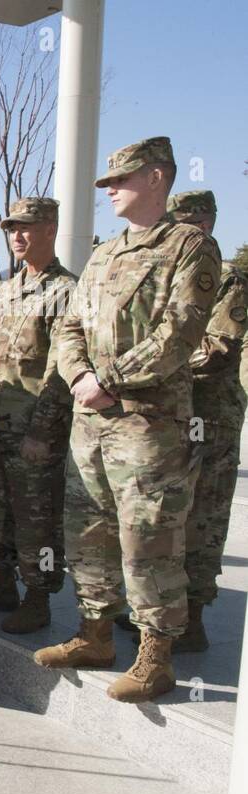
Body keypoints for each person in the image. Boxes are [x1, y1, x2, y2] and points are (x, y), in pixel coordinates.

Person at [36, 137, 221, 703]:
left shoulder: (191, 247)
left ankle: (155, 655)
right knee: (87, 531)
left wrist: (106, 380)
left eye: (121, 179)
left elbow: (179, 334)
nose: (110, 190)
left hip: (149, 425)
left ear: (158, 178)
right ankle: (94, 634)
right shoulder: (104, 253)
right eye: (108, 183)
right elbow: (69, 327)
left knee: (148, 537)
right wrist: (77, 378)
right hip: (91, 422)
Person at [0, 198, 76, 633]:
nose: (17, 237)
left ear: (50, 229)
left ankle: (38, 599)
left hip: (32, 431)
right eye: (12, 229)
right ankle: (0, 583)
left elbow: (61, 371)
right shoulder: (7, 290)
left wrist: (43, 432)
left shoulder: (66, 292)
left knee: (36, 522)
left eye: (27, 227)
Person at [147, 189, 246, 652]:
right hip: (169, 414)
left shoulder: (229, 280)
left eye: (184, 223)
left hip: (210, 416)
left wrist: (150, 366)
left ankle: (195, 617)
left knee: (203, 517)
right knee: (167, 514)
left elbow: (218, 351)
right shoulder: (170, 272)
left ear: (204, 224)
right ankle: (164, 613)